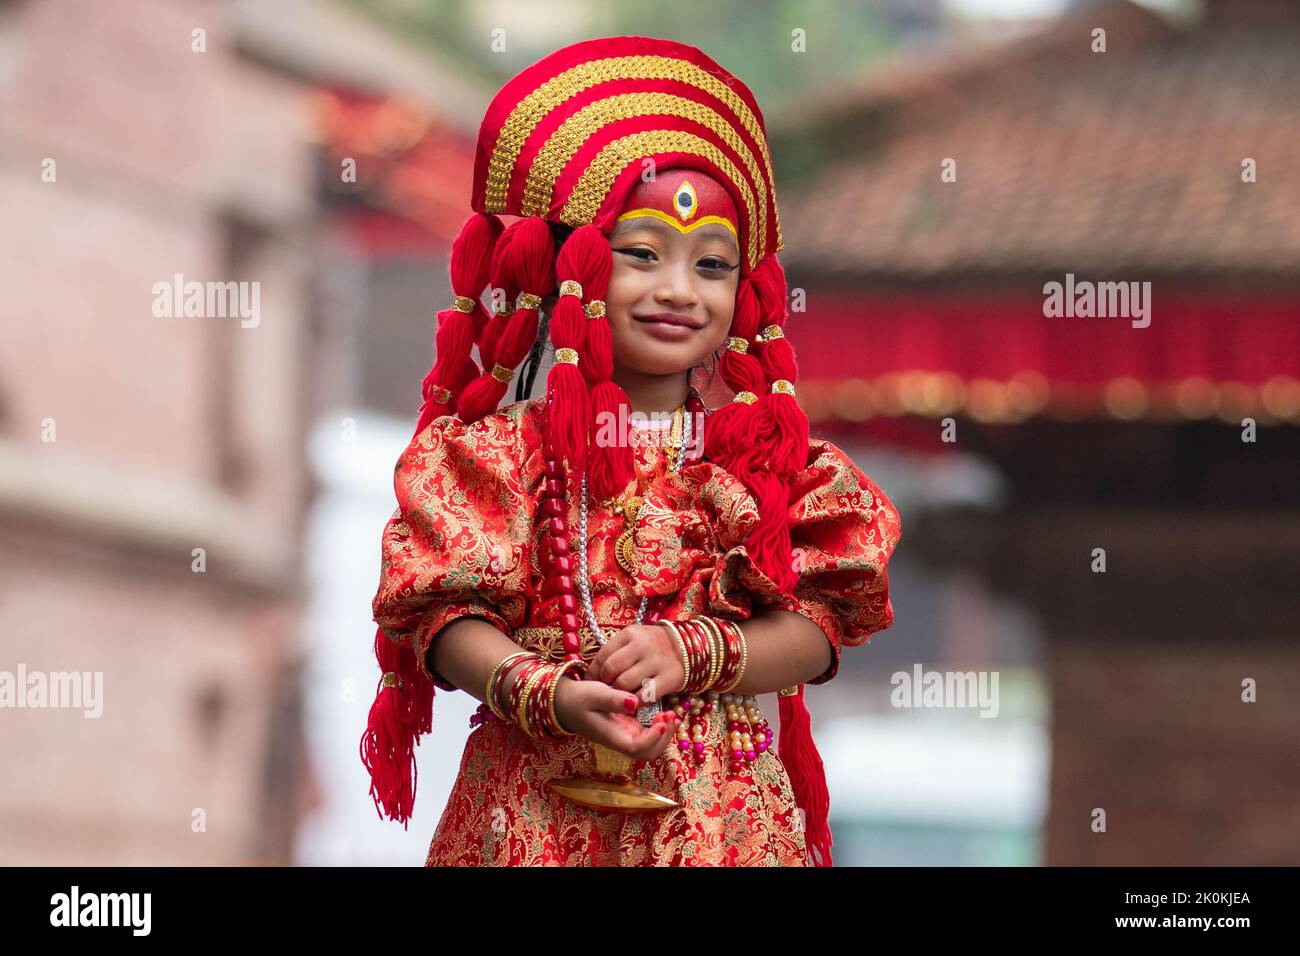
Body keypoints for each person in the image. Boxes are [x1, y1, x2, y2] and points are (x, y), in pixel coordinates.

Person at [362, 35, 901, 866]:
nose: (680, 289)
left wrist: (694, 652)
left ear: (745, 291)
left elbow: (822, 626)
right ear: (568, 270)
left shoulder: (767, 468)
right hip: (531, 805)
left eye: (712, 265)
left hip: (719, 814)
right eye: (641, 255)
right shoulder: (496, 456)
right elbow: (442, 618)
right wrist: (548, 693)